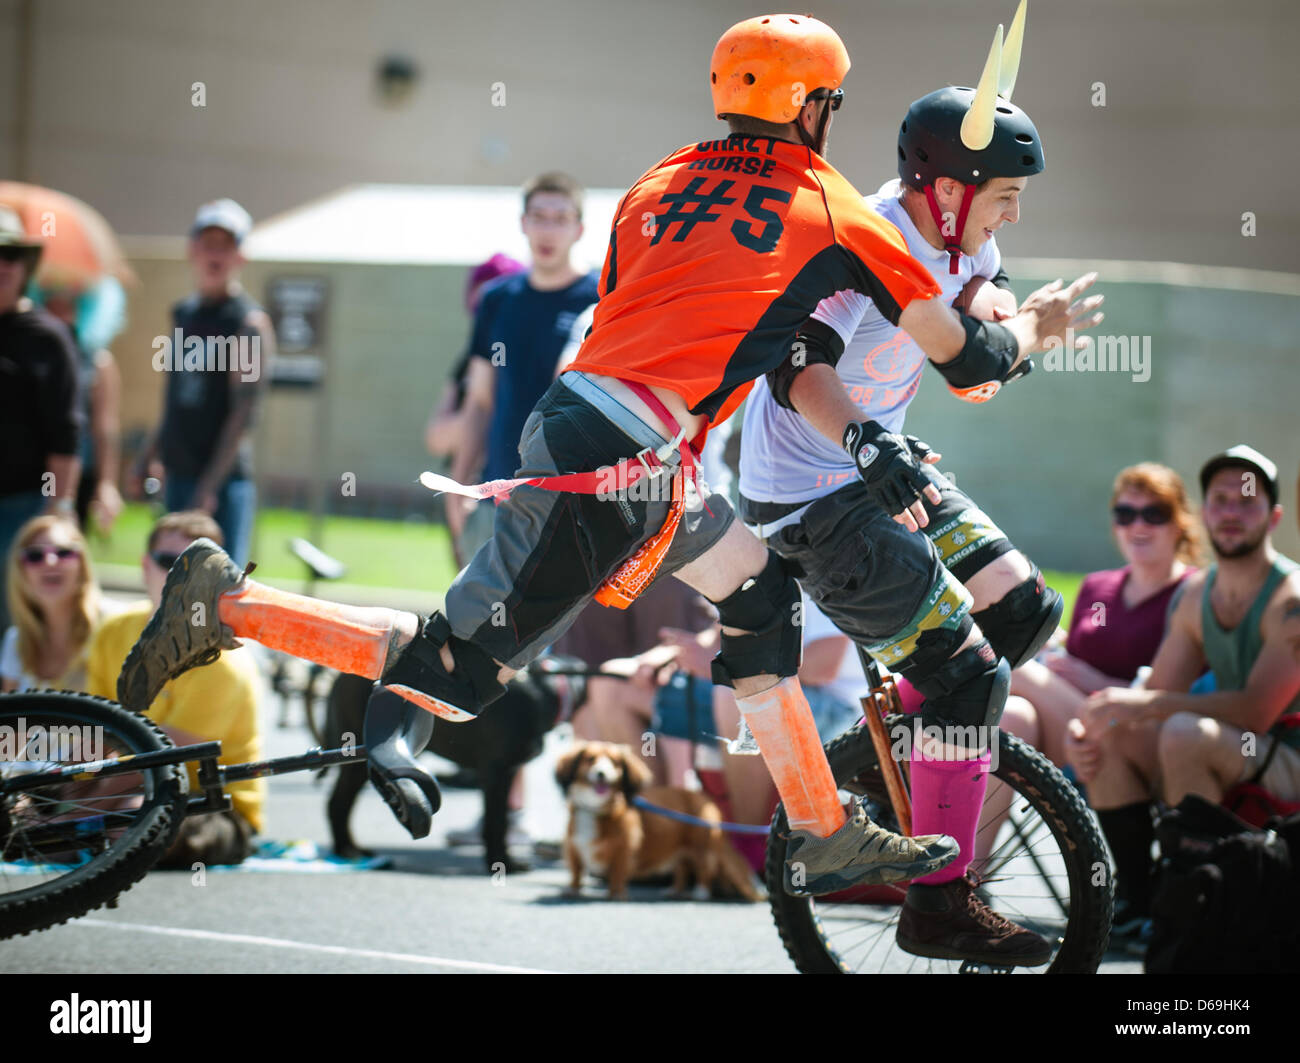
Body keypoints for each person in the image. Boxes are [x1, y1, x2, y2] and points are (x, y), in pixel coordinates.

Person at [119, 14, 1093, 902]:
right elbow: (964, 355)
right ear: (813, 109)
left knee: (757, 602)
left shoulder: (655, 183)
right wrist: (1033, 332)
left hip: (618, 438)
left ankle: (825, 830)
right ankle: (229, 603)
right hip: (623, 459)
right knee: (455, 671)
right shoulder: (836, 210)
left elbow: (630, 311)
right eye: (829, 104)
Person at [736, 2, 1101, 965]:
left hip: (883, 469)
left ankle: (914, 745)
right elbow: (794, 362)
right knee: (971, 674)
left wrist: (1017, 313)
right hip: (812, 493)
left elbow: (984, 323)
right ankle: (937, 901)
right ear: (942, 189)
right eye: (1004, 194)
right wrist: (866, 441)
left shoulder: (963, 236)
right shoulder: (860, 240)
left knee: (1022, 612)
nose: (1015, 212)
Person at [1067, 446, 1300, 941]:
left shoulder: (1292, 599)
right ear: (1205, 511)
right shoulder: (1198, 595)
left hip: (1288, 758)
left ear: (1273, 516)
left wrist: (1148, 705)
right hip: (1233, 746)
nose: (1231, 513)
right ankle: (1138, 902)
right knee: (1116, 733)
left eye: (1247, 502)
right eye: (1220, 501)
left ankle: (1192, 901)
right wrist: (1092, 729)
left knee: (1182, 731)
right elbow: (1158, 691)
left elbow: (1257, 712)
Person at [86, 511, 265, 866]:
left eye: (195, 566)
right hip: (129, 782)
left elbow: (158, 759)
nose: (177, 575)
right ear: (144, 566)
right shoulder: (112, 632)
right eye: (167, 561)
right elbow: (94, 734)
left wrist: (68, 813)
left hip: (213, 804)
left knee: (128, 824)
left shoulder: (225, 659)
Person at [443, 175, 598, 565]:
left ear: (578, 229)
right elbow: (480, 402)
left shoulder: (602, 298)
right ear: (523, 223)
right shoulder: (497, 300)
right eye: (539, 216)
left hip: (571, 500)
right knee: (484, 621)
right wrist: (459, 487)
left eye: (560, 218)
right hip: (499, 497)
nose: (548, 229)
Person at [1004, 462, 1200, 770]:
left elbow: (1191, 694)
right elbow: (1082, 653)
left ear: (1180, 523)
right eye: (1125, 514)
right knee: (1013, 717)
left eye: (1154, 514)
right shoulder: (1097, 585)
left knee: (1012, 668)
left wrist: (1099, 681)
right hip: (1073, 724)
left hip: (1134, 734)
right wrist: (1055, 649)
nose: (1138, 526)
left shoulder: (1195, 593)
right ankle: (931, 812)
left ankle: (920, 740)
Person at [129, 199, 274, 568]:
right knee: (171, 585)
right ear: (193, 249)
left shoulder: (247, 324)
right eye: (208, 243)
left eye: (225, 245)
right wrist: (147, 454)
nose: (215, 254)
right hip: (178, 474)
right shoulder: (184, 315)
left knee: (219, 591)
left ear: (240, 255)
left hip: (221, 485)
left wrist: (209, 486)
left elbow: (245, 413)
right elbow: (176, 396)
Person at [0, 205, 83, 630]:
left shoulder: (47, 337)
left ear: (25, 266)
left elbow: (65, 435)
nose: (2, 266)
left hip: (22, 508)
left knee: (17, 626)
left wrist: (58, 512)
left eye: (10, 256)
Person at [34, 276, 126, 535]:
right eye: (52, 305)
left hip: (76, 475)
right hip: (28, 472)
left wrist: (107, 484)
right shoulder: (28, 354)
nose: (59, 314)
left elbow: (105, 427)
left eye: (68, 306)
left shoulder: (97, 362)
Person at [425, 253, 526, 466]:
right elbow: (436, 438)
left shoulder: (528, 357)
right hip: (473, 482)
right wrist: (476, 413)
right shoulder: (469, 360)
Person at [1, 515, 119, 692]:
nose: (50, 561)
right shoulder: (16, 641)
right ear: (20, 572)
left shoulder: (115, 625)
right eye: (35, 556)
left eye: (63, 552)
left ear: (82, 566)